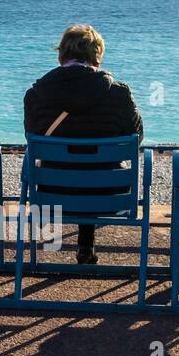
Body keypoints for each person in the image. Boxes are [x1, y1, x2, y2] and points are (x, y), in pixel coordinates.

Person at [24, 24, 143, 264]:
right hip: (109, 192)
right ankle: (85, 247)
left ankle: (82, 246)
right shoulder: (119, 94)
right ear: (97, 56)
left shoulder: (36, 94)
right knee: (93, 165)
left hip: (52, 192)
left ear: (62, 55)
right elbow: (136, 137)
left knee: (73, 165)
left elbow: (31, 136)